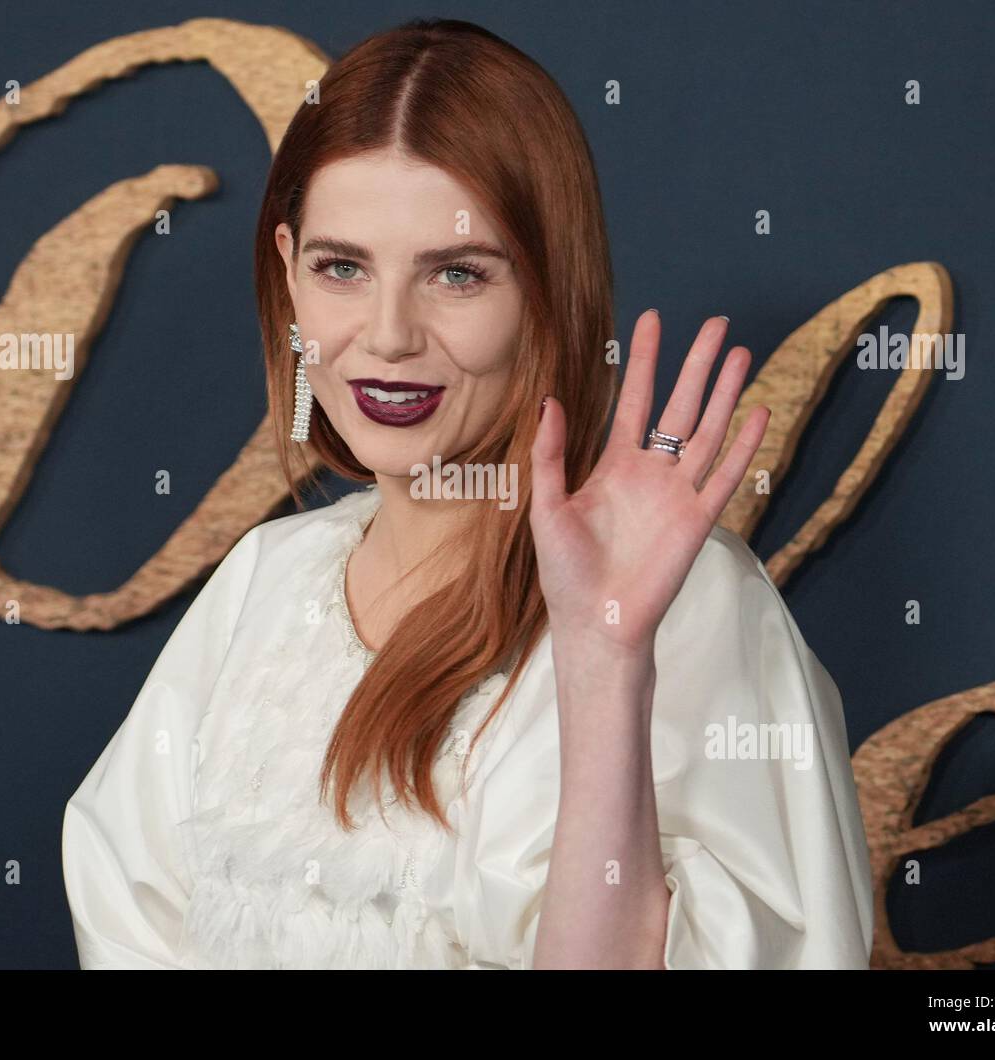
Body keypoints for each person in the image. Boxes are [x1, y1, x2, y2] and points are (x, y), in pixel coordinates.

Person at [61, 17, 874, 970]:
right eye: (342, 267)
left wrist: (602, 657)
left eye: (456, 274)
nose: (390, 335)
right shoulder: (261, 582)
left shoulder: (688, 603)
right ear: (287, 274)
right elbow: (133, 929)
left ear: (548, 287)